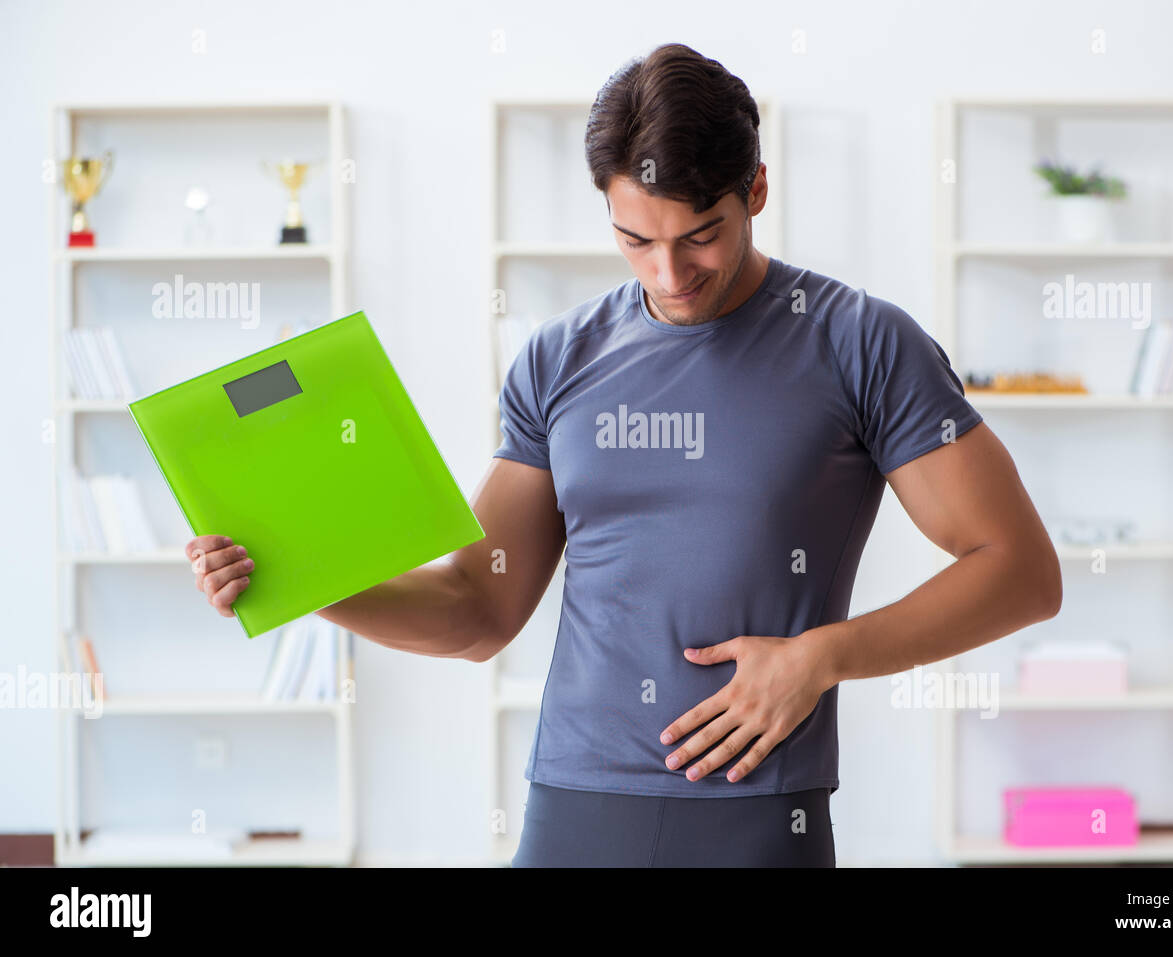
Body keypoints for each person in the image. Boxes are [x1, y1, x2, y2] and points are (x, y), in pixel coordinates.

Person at [186, 42, 1061, 867]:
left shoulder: (860, 342)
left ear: (756, 189)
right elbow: (477, 608)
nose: (671, 274)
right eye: (636, 240)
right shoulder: (558, 357)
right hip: (573, 804)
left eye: (700, 235)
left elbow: (1020, 569)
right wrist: (301, 576)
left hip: (758, 810)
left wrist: (821, 656)